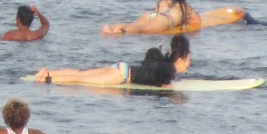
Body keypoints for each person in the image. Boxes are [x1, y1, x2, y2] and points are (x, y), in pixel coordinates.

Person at [34, 36, 189, 88]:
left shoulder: (161, 62)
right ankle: (47, 80)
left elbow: (151, 57)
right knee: (80, 81)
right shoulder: (169, 70)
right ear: (181, 58)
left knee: (81, 74)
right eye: (188, 60)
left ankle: (47, 72)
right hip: (121, 76)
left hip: (121, 67)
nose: (189, 64)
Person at [101, 0, 200, 35]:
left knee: (134, 24)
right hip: (165, 19)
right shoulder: (185, 6)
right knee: (142, 29)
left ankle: (112, 27)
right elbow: (197, 21)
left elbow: (157, 11)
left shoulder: (164, 1)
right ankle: (121, 31)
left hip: (151, 14)